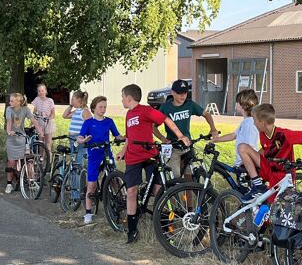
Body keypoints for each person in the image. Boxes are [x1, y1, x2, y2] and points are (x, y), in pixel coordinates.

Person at [117, 84, 189, 243]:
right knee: (132, 191)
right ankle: (132, 229)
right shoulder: (129, 114)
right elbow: (129, 137)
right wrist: (123, 150)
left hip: (150, 155)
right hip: (133, 158)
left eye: (122, 97)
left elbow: (166, 120)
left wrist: (181, 136)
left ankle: (165, 226)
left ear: (129, 98)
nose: (121, 100)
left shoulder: (145, 110)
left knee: (158, 191)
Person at [240, 103, 302, 222]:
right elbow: (266, 149)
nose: (253, 123)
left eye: (255, 120)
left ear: (262, 122)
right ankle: (258, 185)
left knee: (274, 211)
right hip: (269, 169)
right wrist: (251, 159)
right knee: (243, 148)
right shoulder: (263, 133)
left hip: (283, 174)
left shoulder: (284, 134)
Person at [154, 79, 218, 179]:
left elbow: (206, 114)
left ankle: (190, 195)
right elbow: (153, 126)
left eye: (185, 93)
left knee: (189, 176)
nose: (183, 96)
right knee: (176, 177)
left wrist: (213, 128)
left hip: (187, 145)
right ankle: (175, 194)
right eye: (179, 93)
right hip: (174, 147)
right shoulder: (165, 108)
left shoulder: (189, 104)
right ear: (172, 93)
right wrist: (162, 138)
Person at [76, 95, 119, 226]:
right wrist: (83, 140)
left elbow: (117, 135)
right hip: (94, 153)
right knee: (92, 184)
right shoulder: (88, 122)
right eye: (100, 107)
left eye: (105, 107)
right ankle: (88, 212)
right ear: (94, 108)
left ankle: (117, 202)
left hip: (106, 152)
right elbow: (80, 137)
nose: (103, 109)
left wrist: (124, 137)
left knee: (114, 179)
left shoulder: (109, 121)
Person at [212, 88, 260, 187]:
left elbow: (249, 146)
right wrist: (217, 139)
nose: (236, 104)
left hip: (246, 167)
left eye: (237, 102)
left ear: (243, 105)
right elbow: (234, 135)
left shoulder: (250, 123)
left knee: (248, 194)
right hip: (242, 165)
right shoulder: (245, 121)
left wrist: (243, 163)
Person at [4, 92, 42, 194]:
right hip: (12, 139)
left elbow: (33, 120)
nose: (9, 102)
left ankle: (32, 182)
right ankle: (9, 184)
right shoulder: (9, 109)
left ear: (19, 102)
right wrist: (9, 131)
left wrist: (39, 131)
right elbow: (9, 121)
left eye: (12, 101)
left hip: (22, 138)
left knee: (29, 160)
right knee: (11, 162)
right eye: (10, 100)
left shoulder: (25, 109)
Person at [61, 90, 91, 204]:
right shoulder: (77, 111)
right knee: (74, 165)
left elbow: (89, 125)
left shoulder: (85, 111)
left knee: (77, 165)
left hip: (80, 140)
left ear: (79, 100)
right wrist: (70, 106)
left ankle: (76, 195)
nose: (71, 101)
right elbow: (65, 116)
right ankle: (75, 192)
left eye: (73, 99)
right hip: (72, 140)